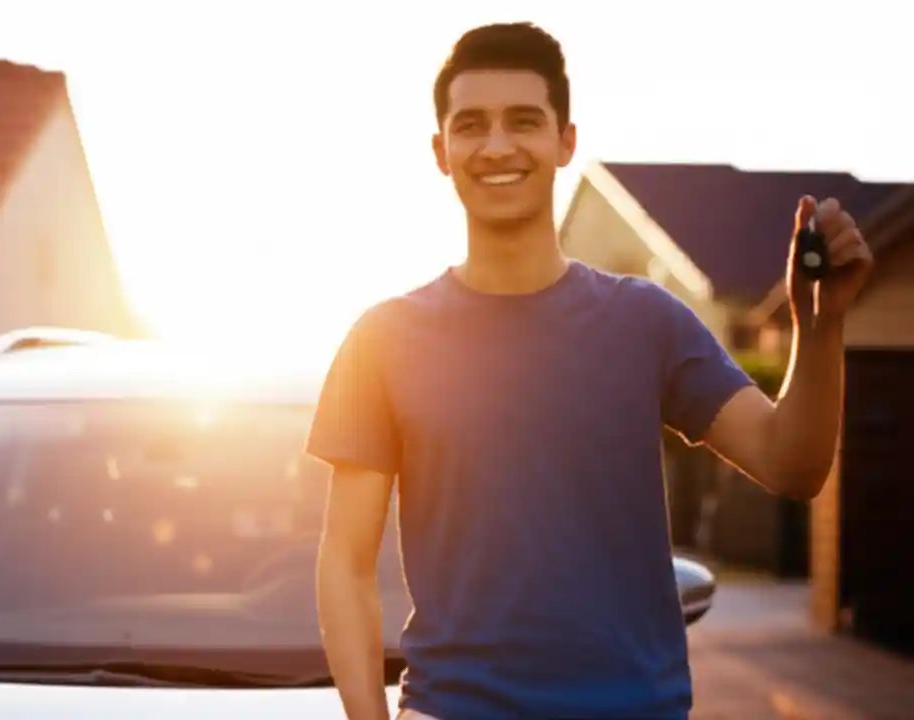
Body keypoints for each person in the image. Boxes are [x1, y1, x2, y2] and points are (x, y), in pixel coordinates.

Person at [306, 21, 875, 720]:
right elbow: (344, 561)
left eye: (524, 121)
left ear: (565, 140)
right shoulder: (382, 340)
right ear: (441, 151)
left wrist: (820, 327)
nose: (497, 146)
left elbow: (792, 465)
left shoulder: (646, 322)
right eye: (471, 125)